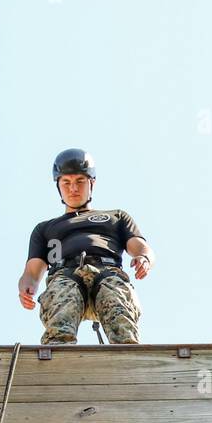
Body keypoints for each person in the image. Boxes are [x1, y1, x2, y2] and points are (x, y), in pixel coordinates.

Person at [18, 148, 154, 345]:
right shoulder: (45, 229)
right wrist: (27, 287)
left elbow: (140, 247)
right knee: (62, 297)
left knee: (115, 295)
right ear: (58, 185)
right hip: (65, 275)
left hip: (107, 272)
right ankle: (58, 357)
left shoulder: (116, 217)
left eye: (80, 181)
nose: (73, 188)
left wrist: (144, 258)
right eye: (66, 182)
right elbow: (31, 271)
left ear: (92, 183)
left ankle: (127, 352)